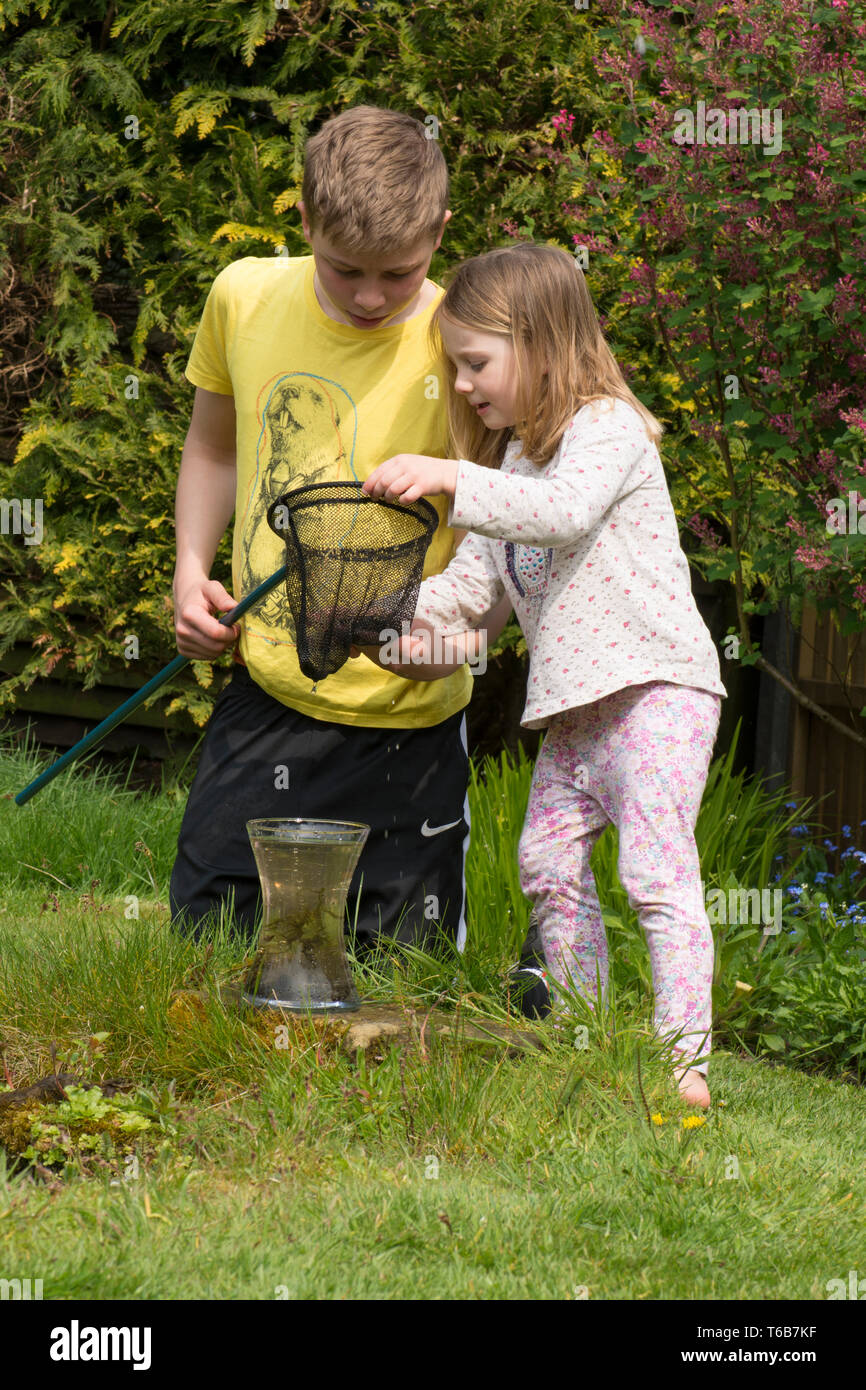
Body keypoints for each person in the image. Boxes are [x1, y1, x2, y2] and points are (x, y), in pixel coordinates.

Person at [361, 242, 727, 1108]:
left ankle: (686, 1068)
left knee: (654, 873)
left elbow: (561, 517)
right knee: (546, 865)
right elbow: (471, 588)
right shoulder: (512, 466)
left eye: (476, 362)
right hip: (576, 714)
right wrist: (389, 625)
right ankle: (586, 1035)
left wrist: (449, 476)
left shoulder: (608, 430)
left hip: (656, 693)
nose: (461, 385)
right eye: (455, 367)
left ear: (542, 342)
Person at [169, 104, 509, 959]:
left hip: (412, 716)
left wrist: (467, 641)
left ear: (441, 232)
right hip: (269, 689)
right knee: (206, 940)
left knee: (402, 973)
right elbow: (214, 447)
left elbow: (509, 526)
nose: (368, 296)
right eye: (343, 267)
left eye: (399, 273)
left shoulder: (471, 346)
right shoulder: (243, 296)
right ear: (307, 218)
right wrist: (187, 569)